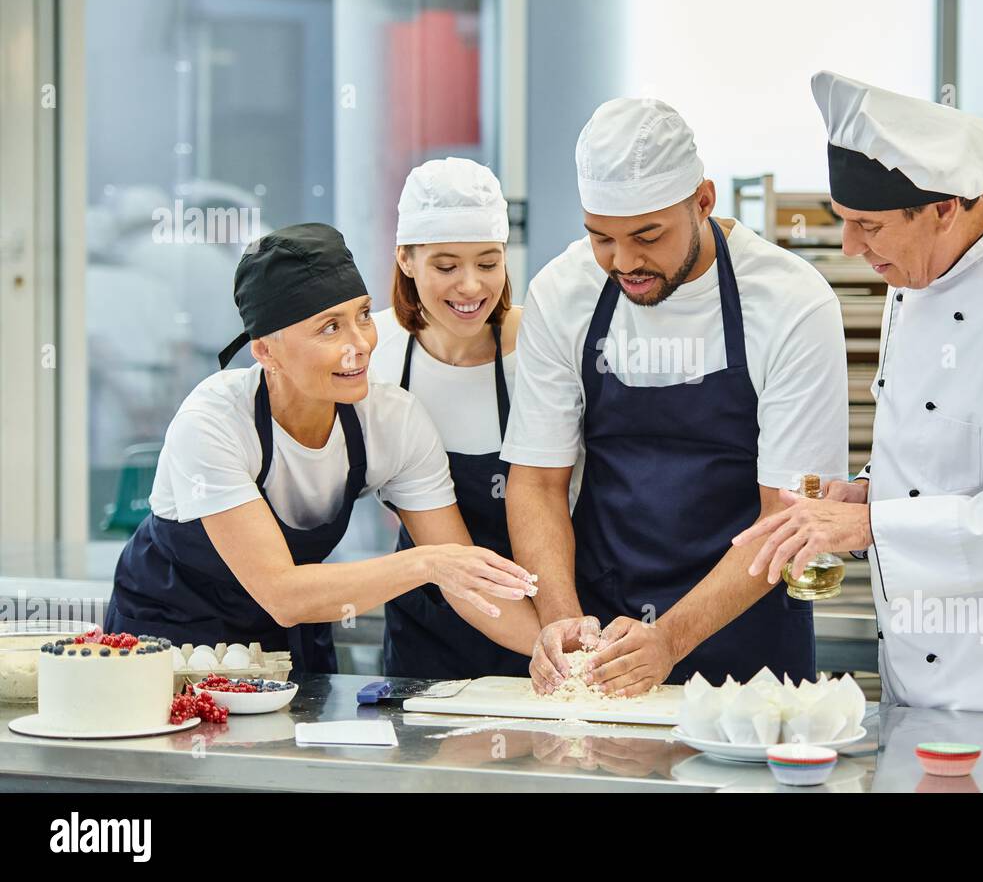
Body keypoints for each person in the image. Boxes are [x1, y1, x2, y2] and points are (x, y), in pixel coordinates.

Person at [734, 71, 983, 714]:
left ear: (945, 208)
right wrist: (869, 487)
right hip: (912, 681)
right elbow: (944, 447)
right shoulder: (914, 276)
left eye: (868, 225)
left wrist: (870, 524)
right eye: (843, 221)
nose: (848, 246)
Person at [502, 98, 849, 696]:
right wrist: (560, 617)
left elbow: (787, 516)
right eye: (601, 238)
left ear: (704, 201)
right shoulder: (562, 293)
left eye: (647, 235)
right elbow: (536, 481)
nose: (625, 262)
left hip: (751, 638)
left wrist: (669, 639)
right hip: (605, 626)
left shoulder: (792, 303)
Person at [104, 223, 539, 674]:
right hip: (173, 639)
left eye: (364, 316)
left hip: (291, 634)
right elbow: (283, 592)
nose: (360, 346)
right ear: (266, 353)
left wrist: (563, 654)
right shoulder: (213, 421)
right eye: (330, 328)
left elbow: (465, 584)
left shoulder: (391, 419)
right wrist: (428, 563)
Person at [370, 158, 531, 678]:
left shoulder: (542, 348)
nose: (469, 287)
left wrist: (563, 642)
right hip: (431, 618)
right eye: (445, 266)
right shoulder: (375, 354)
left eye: (488, 263)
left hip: (549, 598)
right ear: (406, 259)